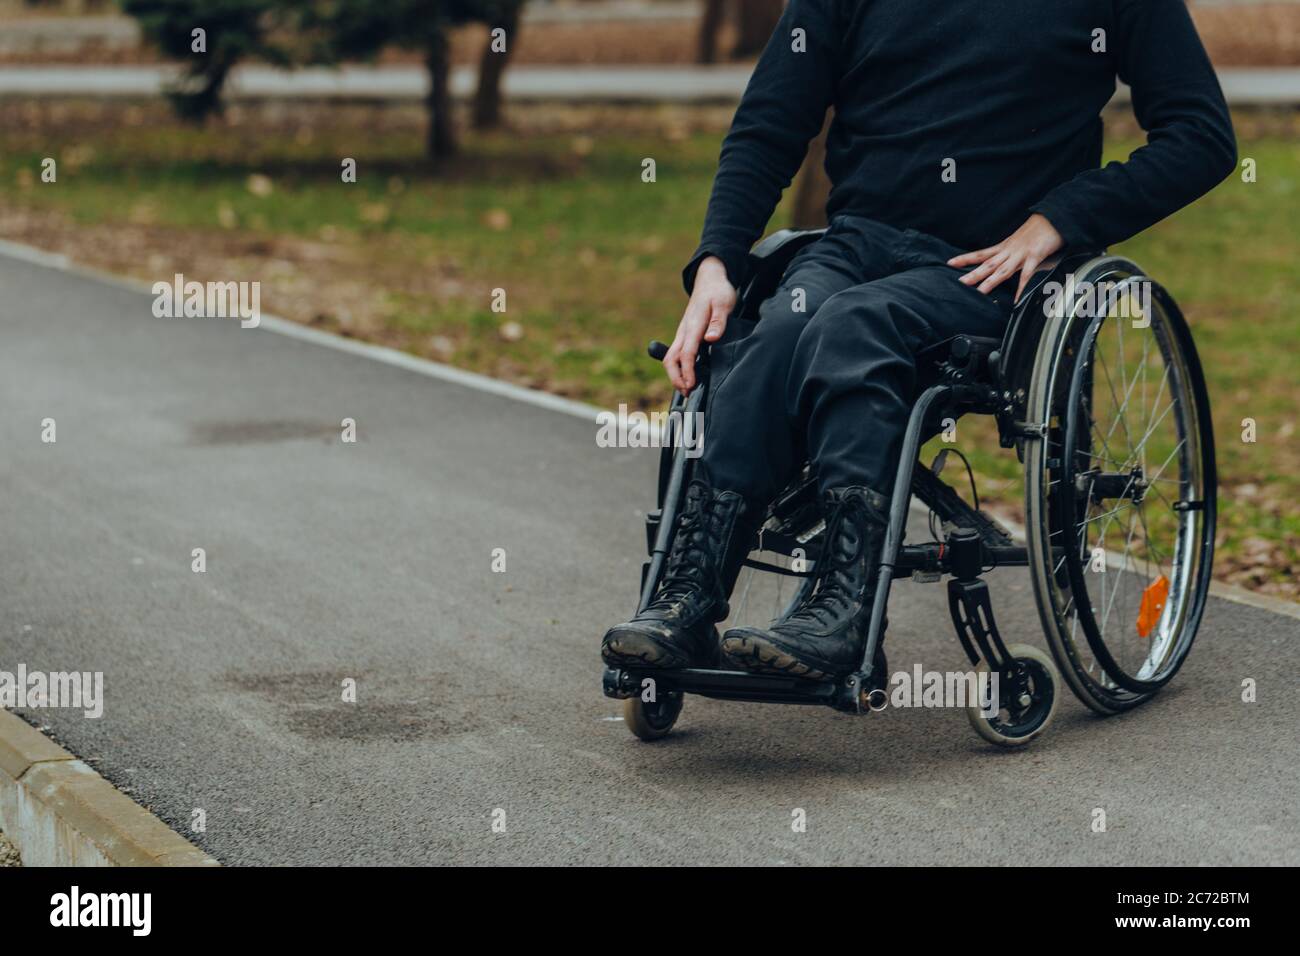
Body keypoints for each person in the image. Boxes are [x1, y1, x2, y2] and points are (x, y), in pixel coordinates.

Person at [602, 0, 1236, 681]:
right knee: (777, 332)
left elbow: (1201, 136)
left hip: (994, 271)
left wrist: (1060, 219)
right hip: (857, 247)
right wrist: (718, 264)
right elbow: (769, 126)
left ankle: (841, 609)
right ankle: (687, 599)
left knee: (853, 326)